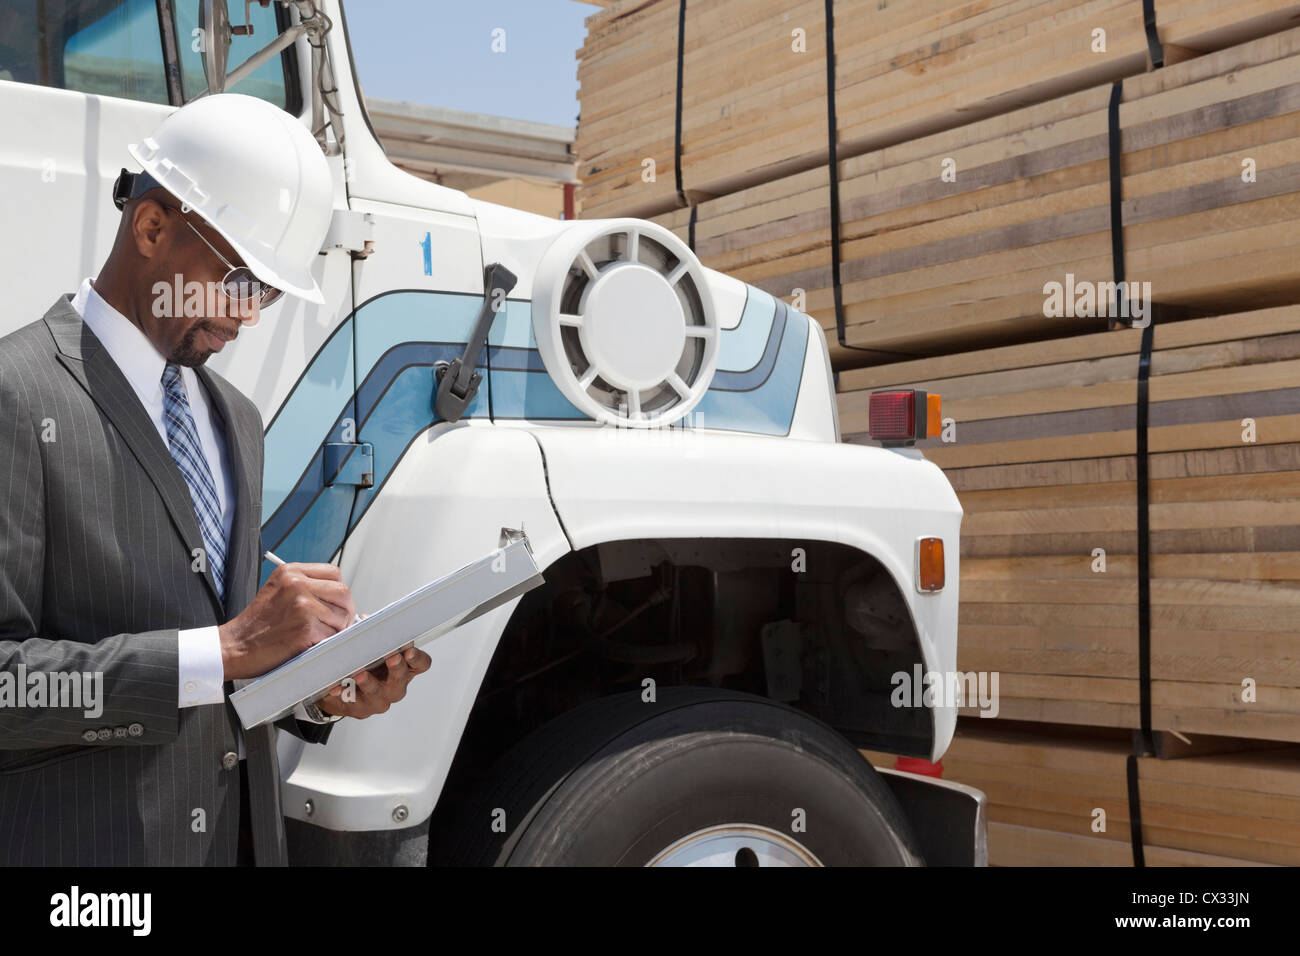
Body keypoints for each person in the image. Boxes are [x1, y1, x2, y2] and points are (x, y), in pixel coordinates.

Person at [0, 93, 431, 866]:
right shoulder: (16, 393)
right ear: (152, 226)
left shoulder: (235, 419)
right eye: (239, 279)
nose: (249, 316)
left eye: (266, 293)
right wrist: (226, 649)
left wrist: (316, 686)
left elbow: (225, 667)